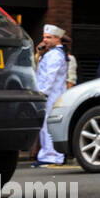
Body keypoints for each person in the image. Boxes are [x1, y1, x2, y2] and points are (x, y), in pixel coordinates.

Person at [32, 24, 68, 166]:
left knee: (48, 126)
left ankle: (51, 156)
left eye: (49, 37)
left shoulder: (54, 55)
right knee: (47, 126)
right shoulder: (53, 53)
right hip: (51, 94)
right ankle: (49, 155)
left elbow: (49, 77)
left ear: (57, 39)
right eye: (44, 37)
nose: (45, 40)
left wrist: (42, 93)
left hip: (51, 95)